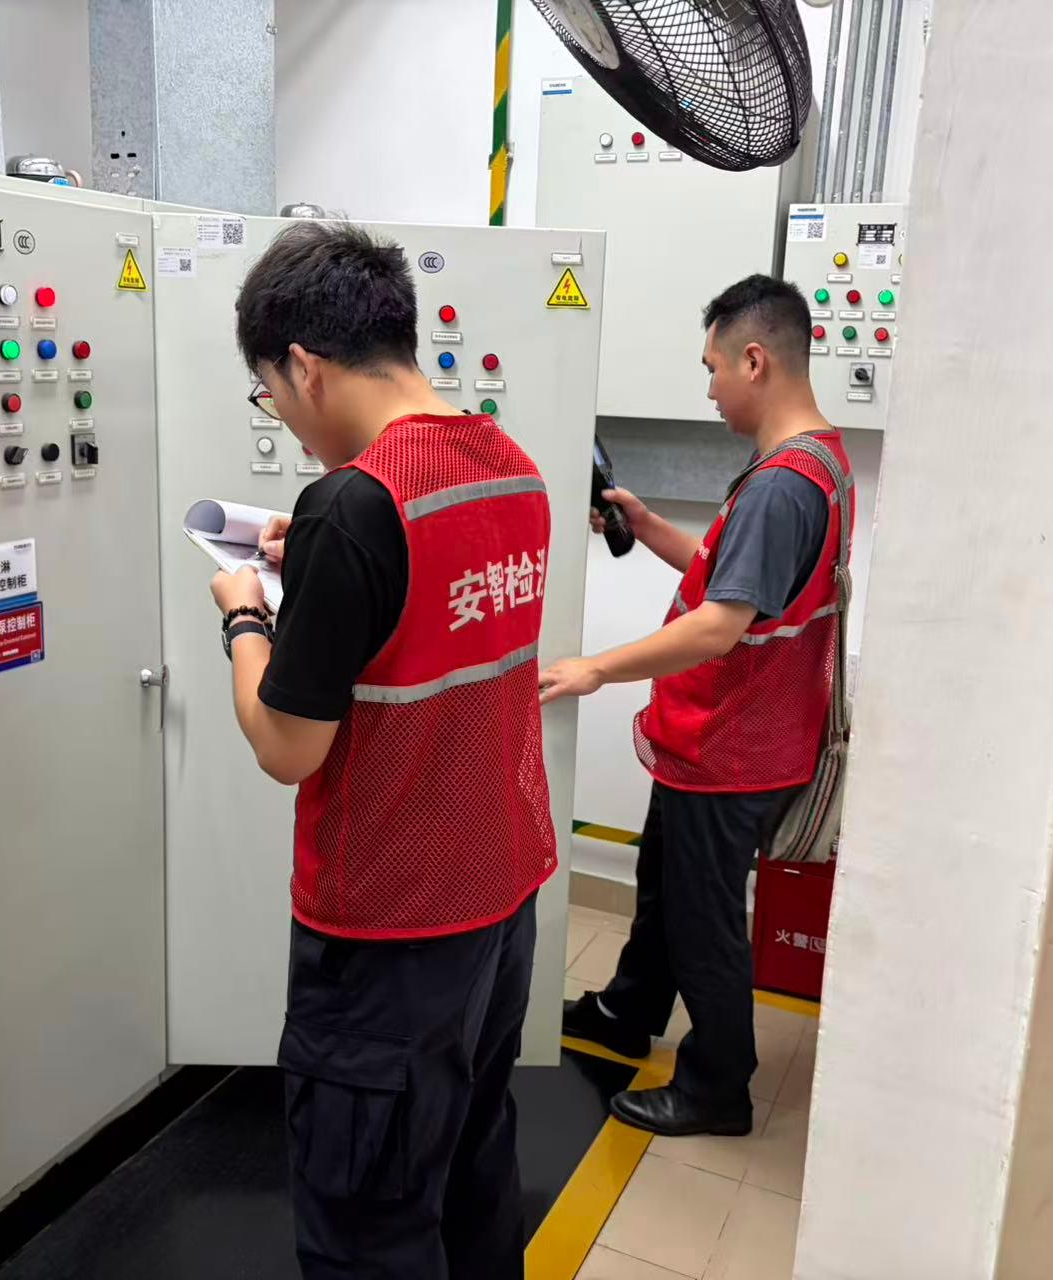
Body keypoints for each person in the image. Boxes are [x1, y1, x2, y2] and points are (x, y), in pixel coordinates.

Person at [208, 221, 557, 1280]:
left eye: (269, 391)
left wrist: (244, 616)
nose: (280, 411)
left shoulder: (353, 505)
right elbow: (418, 621)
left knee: (366, 1226)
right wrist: (314, 560)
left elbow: (287, 746)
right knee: (469, 1174)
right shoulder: (510, 465)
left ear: (303, 366)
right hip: (498, 900)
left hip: (388, 932)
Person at [538, 274, 853, 1138]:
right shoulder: (819, 461)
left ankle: (717, 1087)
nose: (708, 389)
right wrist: (645, 526)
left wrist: (597, 668)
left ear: (754, 360)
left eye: (712, 368)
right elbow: (739, 586)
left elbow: (718, 627)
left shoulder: (781, 486)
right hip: (726, 740)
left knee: (702, 920)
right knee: (665, 887)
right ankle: (626, 1010)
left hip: (730, 748)